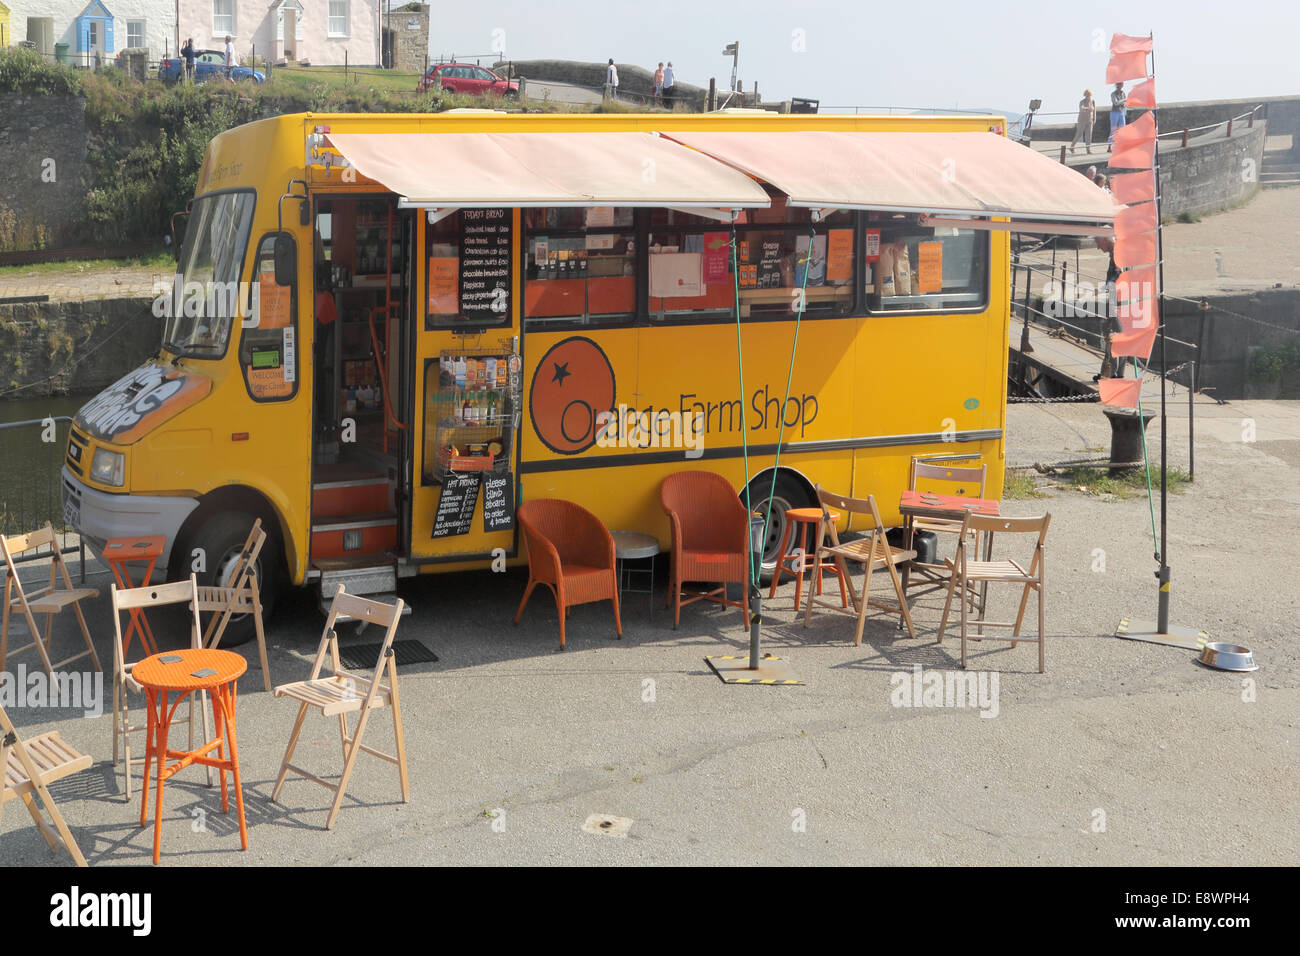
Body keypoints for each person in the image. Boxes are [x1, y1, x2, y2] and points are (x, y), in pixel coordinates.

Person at [1070, 90, 1096, 154]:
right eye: (1087, 95)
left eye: (1089, 95)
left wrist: (1094, 118)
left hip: (1090, 120)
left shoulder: (1092, 101)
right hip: (1082, 120)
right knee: (1079, 134)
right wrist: (1088, 108)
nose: (1088, 96)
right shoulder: (1082, 101)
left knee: (1089, 135)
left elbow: (1094, 110)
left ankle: (1088, 149)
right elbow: (1081, 108)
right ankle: (1072, 146)